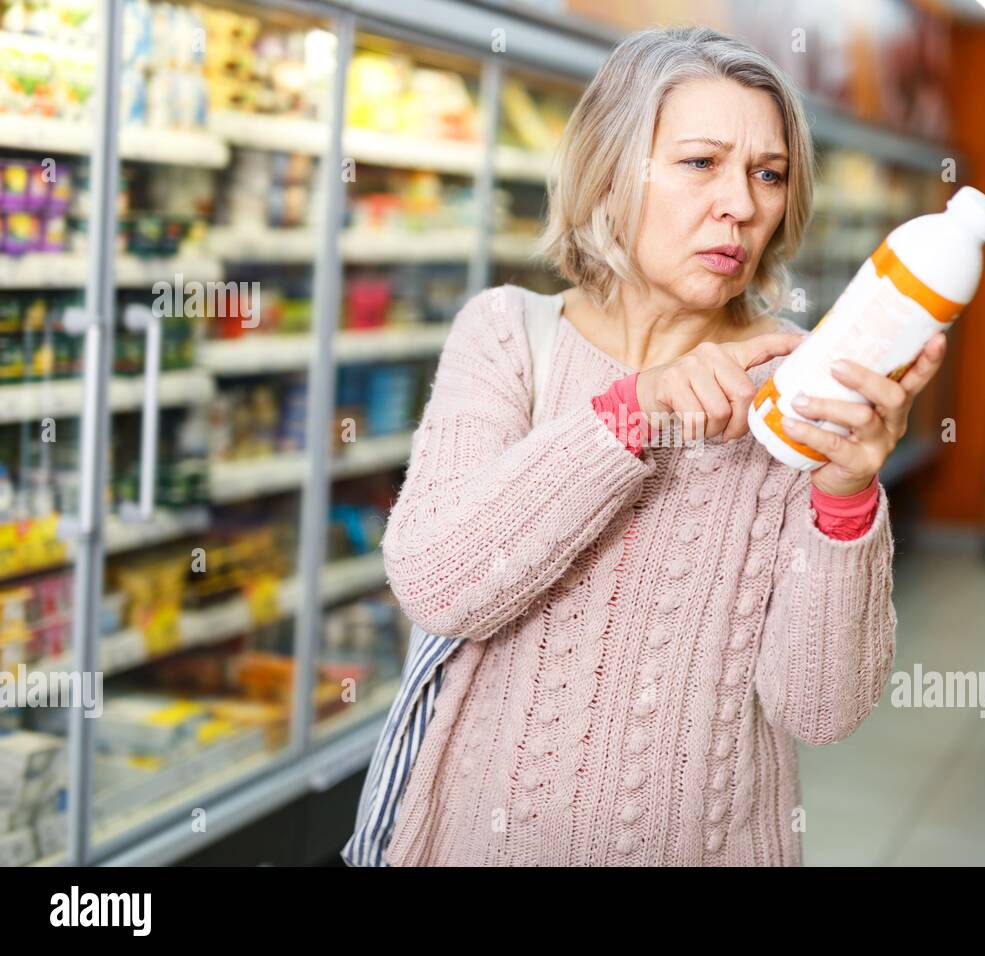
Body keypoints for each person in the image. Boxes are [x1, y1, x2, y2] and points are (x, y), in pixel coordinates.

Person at [379, 25, 948, 866]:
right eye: (699, 163)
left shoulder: (798, 388)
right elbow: (436, 581)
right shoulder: (506, 336)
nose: (742, 204)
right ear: (611, 176)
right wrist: (627, 414)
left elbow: (821, 708)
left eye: (768, 174)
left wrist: (846, 497)